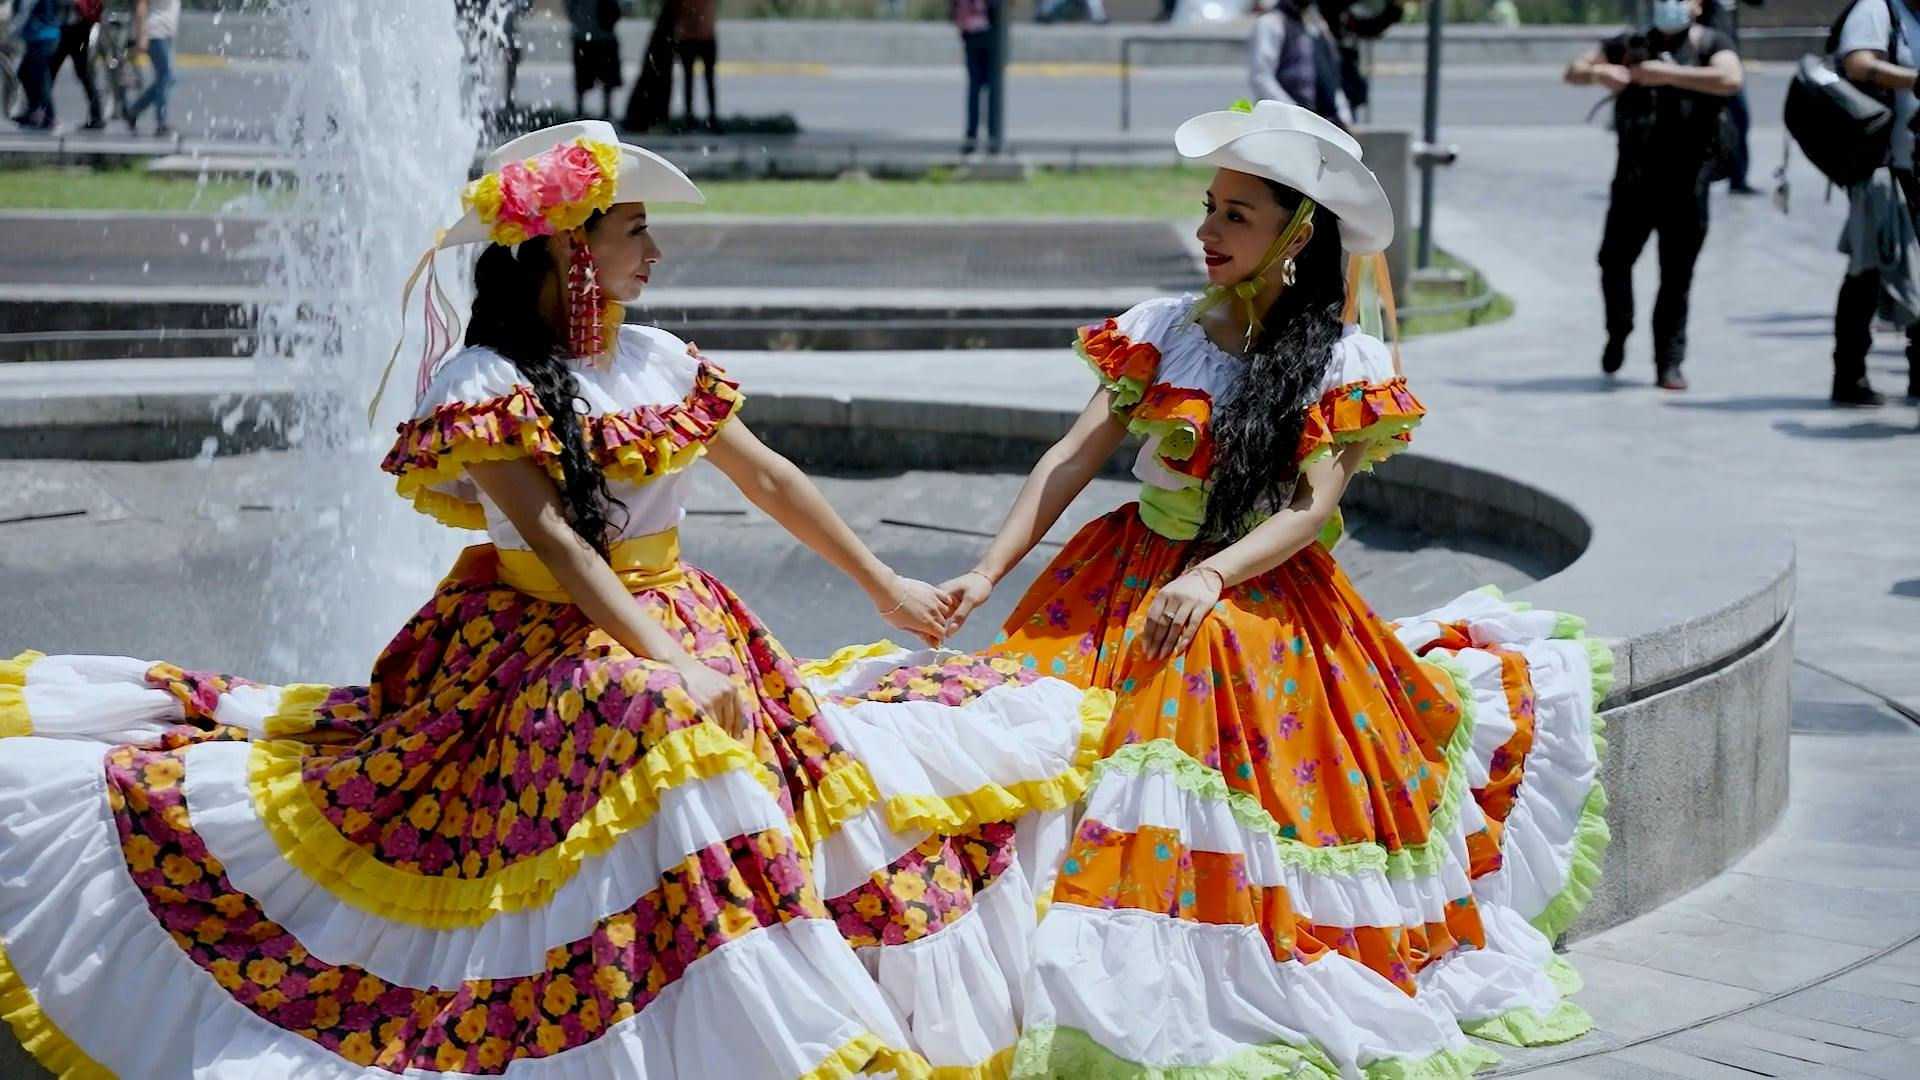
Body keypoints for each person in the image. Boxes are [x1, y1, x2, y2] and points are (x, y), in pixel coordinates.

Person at [0, 121, 1107, 1079]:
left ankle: (768, 1000)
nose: (655, 254)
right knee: (663, 729)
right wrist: (669, 662)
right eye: (635, 234)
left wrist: (886, 586)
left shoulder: (665, 360)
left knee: (784, 768)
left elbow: (769, 478)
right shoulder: (483, 385)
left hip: (678, 616)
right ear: (571, 251)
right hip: (541, 641)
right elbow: (565, 553)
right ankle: (746, 1020)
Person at [940, 100, 1612, 1077]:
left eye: (1236, 215)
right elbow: (1069, 459)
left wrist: (1210, 576)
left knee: (1178, 716)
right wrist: (985, 570)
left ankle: (1182, 965)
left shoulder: (1342, 360)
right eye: (1209, 208)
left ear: (1298, 236)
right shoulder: (1162, 329)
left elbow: (1306, 508)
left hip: (1258, 591)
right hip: (1125, 572)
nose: (1208, 232)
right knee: (1033, 725)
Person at [1565, 0, 1743, 390]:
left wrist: (1669, 75)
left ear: (1697, 5)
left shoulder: (1710, 42)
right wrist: (1600, 73)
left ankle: (1669, 362)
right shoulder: (1632, 43)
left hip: (1687, 182)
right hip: (1633, 180)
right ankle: (1619, 330)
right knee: (1613, 261)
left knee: (1676, 277)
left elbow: (1731, 79)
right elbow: (1573, 70)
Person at [1833, 0, 1920, 407]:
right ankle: (1848, 374)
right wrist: (1914, 78)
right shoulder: (1877, 9)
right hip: (1883, 167)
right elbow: (1858, 63)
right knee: (1868, 269)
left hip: (1917, 162)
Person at [1250, 0, 1350, 128]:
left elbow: (1331, 78)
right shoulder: (1270, 24)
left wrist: (1344, 117)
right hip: (1284, 126)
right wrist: (1295, 114)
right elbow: (1261, 78)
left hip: (1325, 124)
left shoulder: (1317, 25)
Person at [1699, 0, 1763, 195]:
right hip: (1704, 60)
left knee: (1739, 120)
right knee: (1701, 122)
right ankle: (1700, 173)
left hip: (1730, 60)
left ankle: (1738, 178)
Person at [47, 0, 103, 130]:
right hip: (78, 29)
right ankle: (97, 116)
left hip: (74, 29)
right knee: (82, 74)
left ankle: (44, 112)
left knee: (52, 71)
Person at [126, 0, 177, 136]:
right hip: (155, 33)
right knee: (165, 77)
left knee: (167, 78)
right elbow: (141, 5)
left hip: (165, 33)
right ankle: (161, 123)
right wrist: (141, 35)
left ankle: (134, 111)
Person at [9, 0, 59, 130]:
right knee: (24, 73)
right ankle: (34, 111)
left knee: (40, 79)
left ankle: (49, 117)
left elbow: (24, 12)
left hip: (43, 37)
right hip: (39, 36)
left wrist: (13, 30)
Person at [568, 0, 623, 119]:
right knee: (584, 78)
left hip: (597, 36)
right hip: (592, 36)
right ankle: (583, 109)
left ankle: (599, 109)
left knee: (606, 78)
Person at [953, 0, 993, 156]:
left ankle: (973, 136)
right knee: (989, 90)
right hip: (988, 30)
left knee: (975, 88)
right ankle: (990, 137)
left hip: (971, 30)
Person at [672, 0, 718, 132]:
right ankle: (693, 116)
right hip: (694, 36)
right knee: (693, 80)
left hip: (700, 36)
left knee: (700, 79)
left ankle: (705, 116)